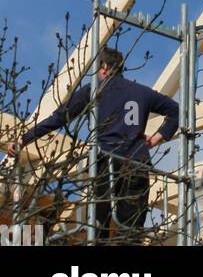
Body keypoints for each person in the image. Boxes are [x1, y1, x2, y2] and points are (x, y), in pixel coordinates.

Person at [5, 45, 179, 244]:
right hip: (136, 163)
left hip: (106, 161)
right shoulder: (142, 92)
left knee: (99, 225)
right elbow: (176, 111)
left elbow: (60, 117)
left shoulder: (95, 90)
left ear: (103, 67)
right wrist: (157, 138)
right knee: (131, 228)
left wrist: (24, 138)